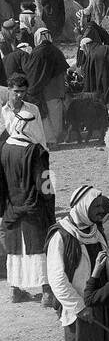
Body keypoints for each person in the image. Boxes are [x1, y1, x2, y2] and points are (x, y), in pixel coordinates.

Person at [45, 186, 109, 341]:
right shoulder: (61, 236)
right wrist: (78, 306)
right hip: (79, 308)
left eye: (102, 206)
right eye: (96, 206)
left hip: (101, 303)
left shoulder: (95, 231)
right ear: (83, 207)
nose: (101, 210)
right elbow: (57, 278)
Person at [1, 108, 55, 306]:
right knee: (39, 249)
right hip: (34, 210)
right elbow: (45, 185)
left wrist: (4, 210)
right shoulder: (37, 151)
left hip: (12, 210)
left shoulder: (4, 149)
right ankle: (47, 292)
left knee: (16, 251)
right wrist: (50, 207)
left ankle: (15, 290)